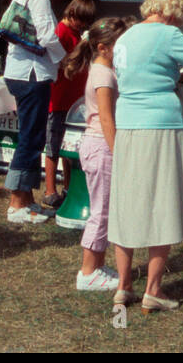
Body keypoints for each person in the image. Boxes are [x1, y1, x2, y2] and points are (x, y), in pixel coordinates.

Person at [109, 0, 183, 311]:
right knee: (163, 204)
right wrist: (182, 72)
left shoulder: (126, 37)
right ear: (172, 13)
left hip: (127, 122)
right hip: (160, 124)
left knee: (126, 204)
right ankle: (153, 290)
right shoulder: (170, 35)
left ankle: (123, 286)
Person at [62, 16, 132, 291]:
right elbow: (106, 119)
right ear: (103, 48)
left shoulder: (103, 69)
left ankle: (98, 265)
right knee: (101, 211)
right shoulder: (103, 75)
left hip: (100, 145)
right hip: (101, 145)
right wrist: (119, 153)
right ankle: (88, 271)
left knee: (105, 209)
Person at [0, 0, 70, 223]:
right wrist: (63, 57)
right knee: (30, 138)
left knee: (32, 135)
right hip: (32, 74)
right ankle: (17, 203)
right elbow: (46, 34)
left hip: (21, 72)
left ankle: (26, 199)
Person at [42, 0, 95, 211]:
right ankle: (49, 190)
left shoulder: (74, 32)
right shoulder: (62, 32)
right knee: (54, 145)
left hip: (74, 101)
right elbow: (63, 62)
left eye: (85, 22)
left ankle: (68, 186)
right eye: (80, 20)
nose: (82, 25)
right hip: (60, 100)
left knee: (69, 145)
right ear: (71, 14)